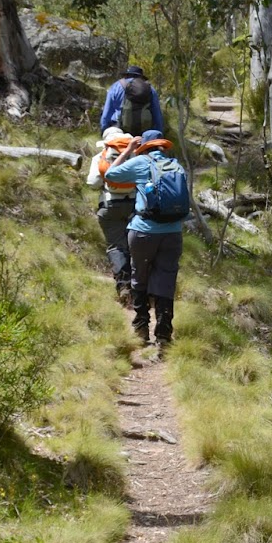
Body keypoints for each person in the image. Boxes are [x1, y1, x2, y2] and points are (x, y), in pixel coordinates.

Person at [104, 129, 187, 344]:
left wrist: (128, 150)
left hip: (143, 231)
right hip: (173, 232)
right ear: (161, 146)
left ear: (145, 147)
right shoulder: (177, 166)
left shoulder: (140, 162)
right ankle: (164, 334)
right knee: (166, 279)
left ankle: (141, 329)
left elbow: (111, 176)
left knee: (139, 275)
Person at [87, 126, 138, 302]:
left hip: (110, 206)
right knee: (135, 246)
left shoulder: (100, 157)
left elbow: (93, 182)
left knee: (117, 246)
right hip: (134, 206)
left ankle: (124, 285)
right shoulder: (134, 154)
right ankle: (141, 286)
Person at [100, 65, 165, 137]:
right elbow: (157, 115)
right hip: (143, 134)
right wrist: (159, 135)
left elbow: (106, 115)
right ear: (141, 77)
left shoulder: (116, 86)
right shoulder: (150, 89)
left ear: (126, 75)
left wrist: (104, 130)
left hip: (119, 131)